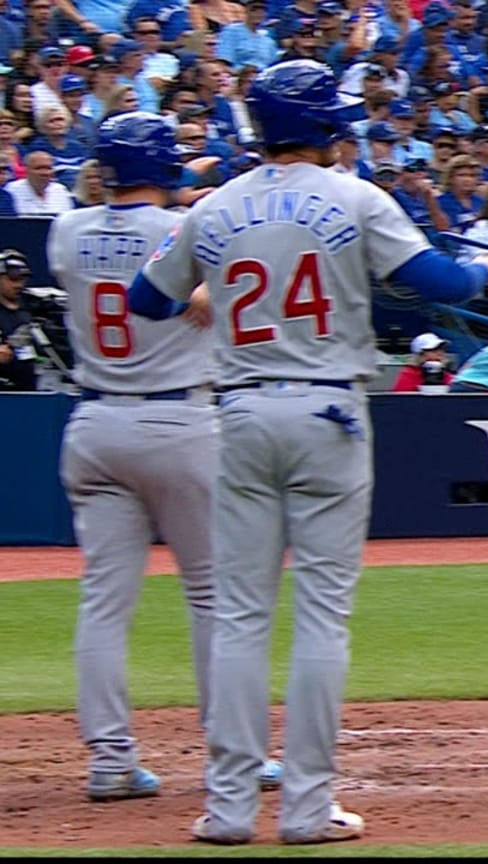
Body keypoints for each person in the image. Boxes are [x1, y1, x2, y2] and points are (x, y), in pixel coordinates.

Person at [128, 59, 488, 846]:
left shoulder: (217, 204)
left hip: (237, 410)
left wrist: (211, 289)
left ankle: (229, 810)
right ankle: (305, 810)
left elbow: (146, 298)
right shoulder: (355, 195)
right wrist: (486, 268)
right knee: (321, 620)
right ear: (328, 127)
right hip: (327, 408)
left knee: (238, 618)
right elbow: (439, 281)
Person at [48, 113, 285, 803]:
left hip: (93, 421)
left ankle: (110, 761)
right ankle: (235, 756)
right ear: (163, 168)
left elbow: (131, 227)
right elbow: (206, 269)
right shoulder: (193, 229)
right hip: (179, 420)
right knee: (215, 595)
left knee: (103, 603)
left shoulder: (67, 231)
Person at [0, 248, 39, 392]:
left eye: (23, 279)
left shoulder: (33, 308)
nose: (19, 285)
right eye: (12, 279)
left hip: (30, 393)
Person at [392, 332, 456, 392]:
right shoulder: (409, 374)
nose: (440, 354)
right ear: (420, 355)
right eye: (433, 351)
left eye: (441, 349)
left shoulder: (447, 375)